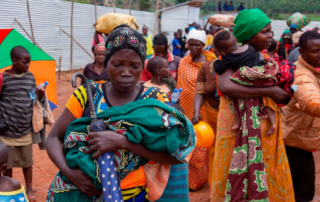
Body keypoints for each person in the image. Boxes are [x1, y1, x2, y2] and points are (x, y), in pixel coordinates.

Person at [46, 25, 195, 202]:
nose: (126, 73)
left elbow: (175, 156)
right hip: (84, 192)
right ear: (106, 63)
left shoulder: (155, 100)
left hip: (135, 195)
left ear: (143, 67)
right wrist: (70, 173)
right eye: (117, 64)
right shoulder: (88, 95)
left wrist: (122, 142)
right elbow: (53, 138)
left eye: (134, 66)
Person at [210, 8, 294, 202]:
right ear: (248, 35)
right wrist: (269, 91)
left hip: (262, 126)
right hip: (235, 124)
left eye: (270, 31)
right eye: (264, 31)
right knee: (233, 170)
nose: (270, 35)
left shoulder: (260, 57)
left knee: (268, 168)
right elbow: (225, 86)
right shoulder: (232, 56)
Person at [0, 46, 45, 202]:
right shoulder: (3, 78)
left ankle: (29, 188)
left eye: (29, 62)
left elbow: (33, 98)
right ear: (14, 61)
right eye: (25, 62)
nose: (28, 66)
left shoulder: (30, 77)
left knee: (27, 162)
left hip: (25, 128)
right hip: (7, 130)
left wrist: (40, 95)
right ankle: (7, 188)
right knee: (7, 164)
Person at [213, 31, 277, 136]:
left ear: (222, 52)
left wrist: (218, 59)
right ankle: (273, 123)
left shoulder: (228, 58)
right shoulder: (249, 47)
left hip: (249, 82)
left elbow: (218, 69)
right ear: (237, 41)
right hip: (262, 78)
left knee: (236, 100)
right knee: (267, 100)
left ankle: (239, 122)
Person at [282, 31, 320, 202]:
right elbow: (311, 101)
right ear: (302, 51)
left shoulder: (313, 68)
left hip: (302, 137)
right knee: (303, 191)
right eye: (315, 51)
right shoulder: (301, 74)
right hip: (294, 140)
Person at [177, 29, 216, 190]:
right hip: (184, 107)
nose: (193, 47)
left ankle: (198, 181)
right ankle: (186, 180)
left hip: (203, 110)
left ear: (203, 45)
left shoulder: (211, 63)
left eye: (197, 45)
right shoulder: (183, 61)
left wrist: (197, 110)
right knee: (186, 141)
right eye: (190, 44)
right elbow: (179, 85)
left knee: (201, 143)